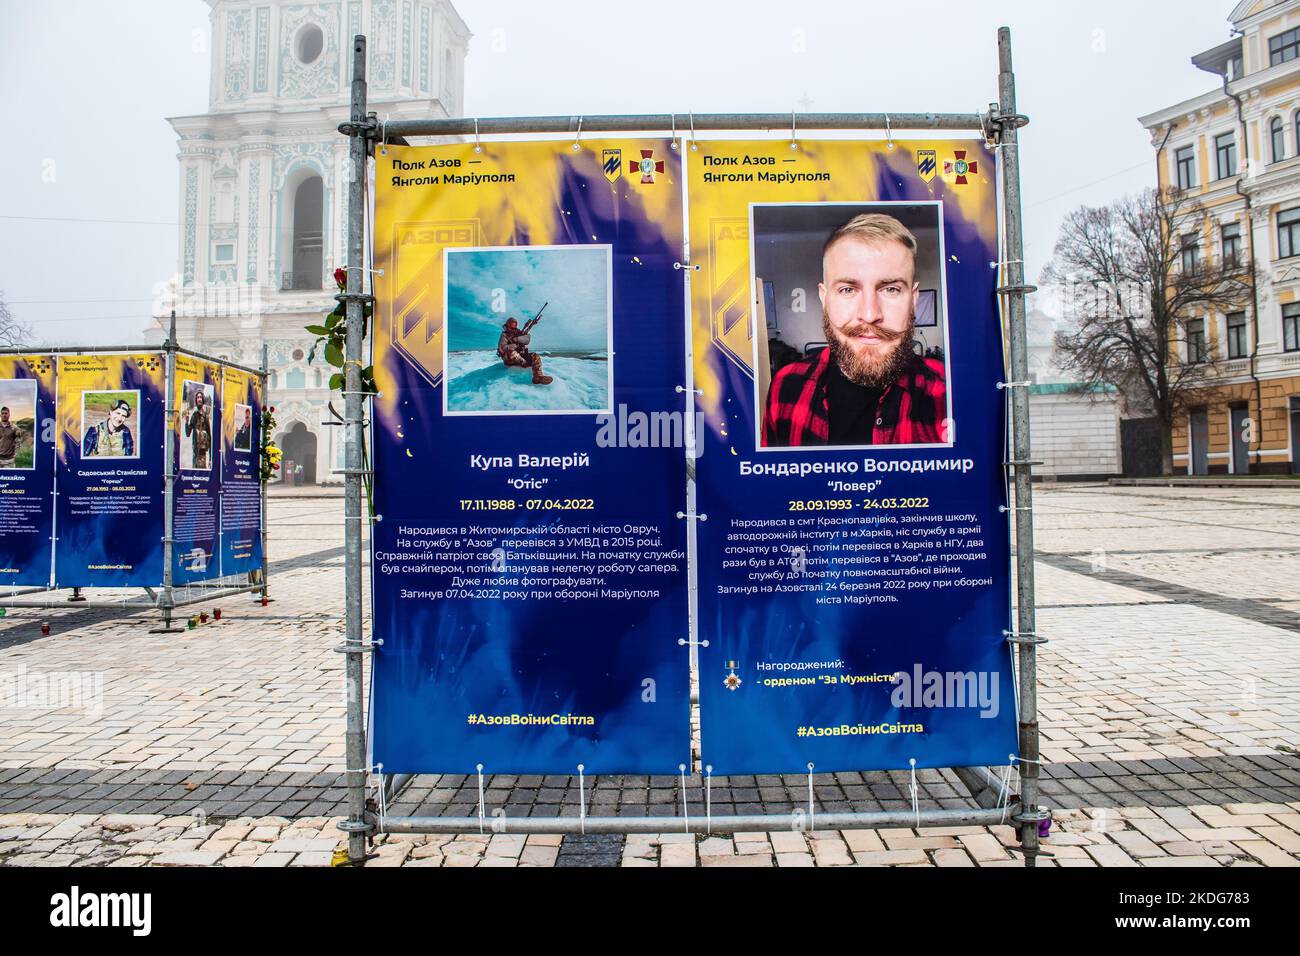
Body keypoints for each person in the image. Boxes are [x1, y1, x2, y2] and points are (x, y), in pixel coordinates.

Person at [762, 213, 947, 447]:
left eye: (890, 289)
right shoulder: (786, 385)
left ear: (913, 299)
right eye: (848, 290)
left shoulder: (949, 394)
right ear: (824, 297)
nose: (870, 315)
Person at [496, 316, 553, 385]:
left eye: (515, 324)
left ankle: (538, 377)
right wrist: (515, 345)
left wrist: (517, 339)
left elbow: (527, 340)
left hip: (521, 356)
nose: (514, 325)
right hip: (509, 359)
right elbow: (502, 348)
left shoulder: (519, 333)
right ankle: (525, 363)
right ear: (508, 324)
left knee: (535, 356)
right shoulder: (504, 335)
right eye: (512, 324)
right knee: (512, 352)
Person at [183, 387, 212, 469]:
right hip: (196, 451)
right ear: (196, 400)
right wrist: (186, 422)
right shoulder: (194, 415)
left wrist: (210, 456)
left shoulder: (205, 416)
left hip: (203, 452)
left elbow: (209, 435)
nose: (199, 399)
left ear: (203, 400)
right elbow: (188, 433)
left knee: (203, 471)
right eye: (198, 397)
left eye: (201, 397)